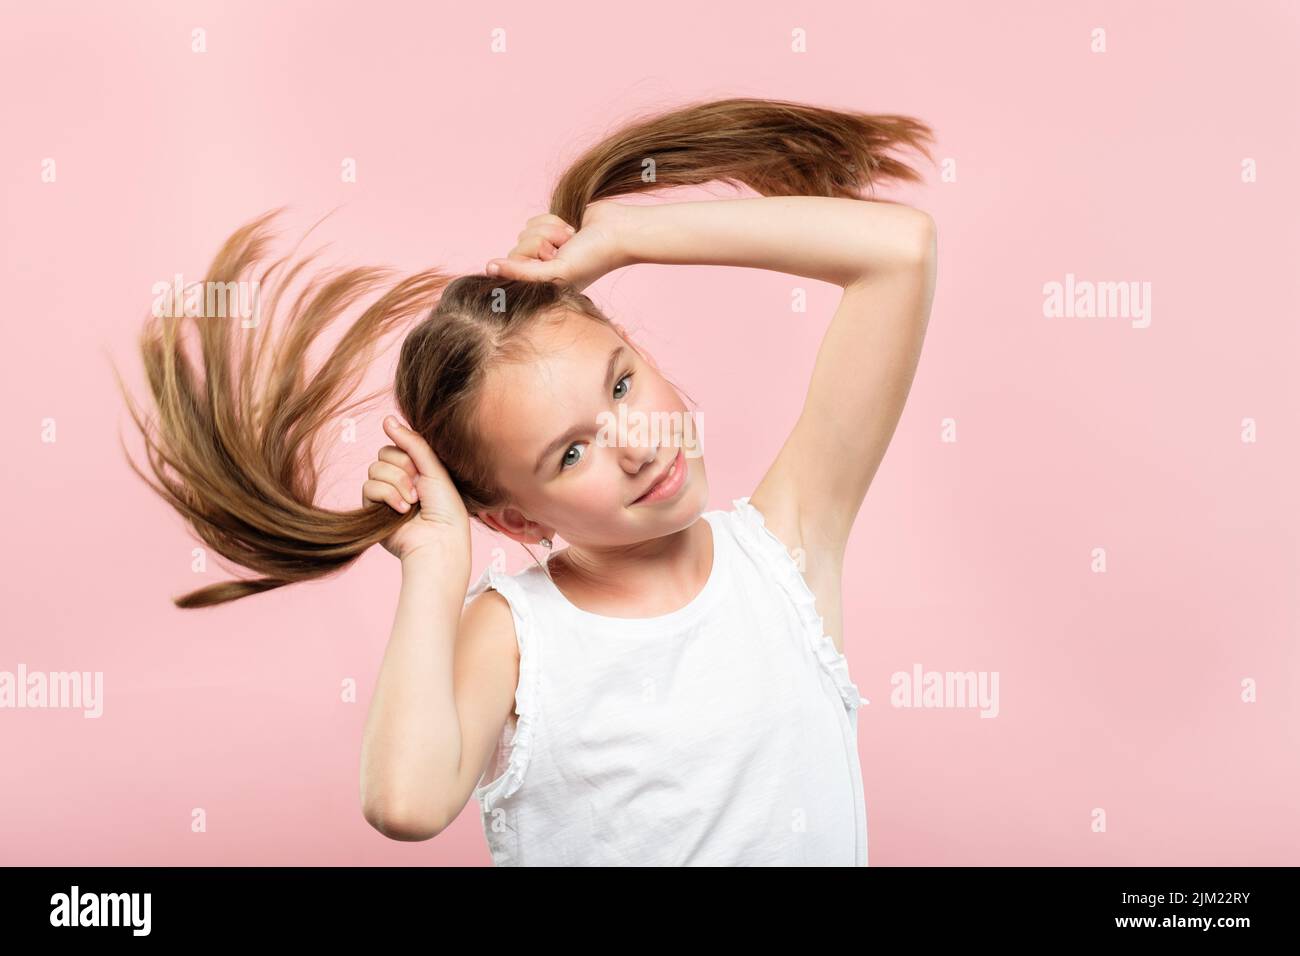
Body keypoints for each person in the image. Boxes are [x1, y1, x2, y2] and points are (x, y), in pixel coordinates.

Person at [118, 96, 939, 865]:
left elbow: (899, 253)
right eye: (569, 454)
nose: (635, 444)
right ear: (514, 520)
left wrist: (630, 238)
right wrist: (436, 567)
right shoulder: (518, 634)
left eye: (621, 384)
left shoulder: (786, 550)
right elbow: (406, 802)